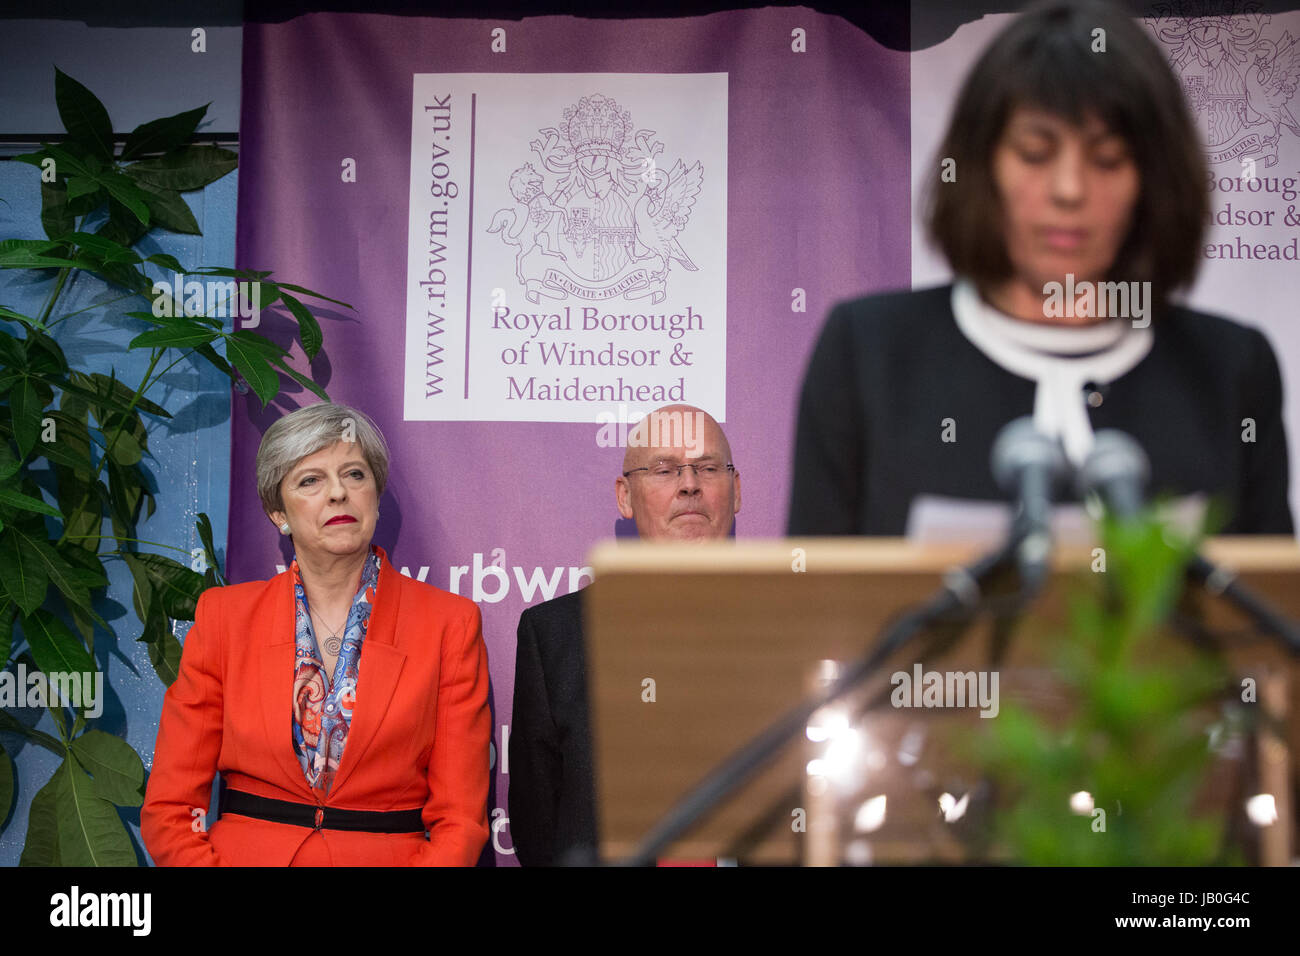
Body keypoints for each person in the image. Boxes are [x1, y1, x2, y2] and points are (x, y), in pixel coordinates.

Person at [788, 0, 1293, 537]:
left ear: (1154, 182)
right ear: (982, 166)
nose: (1069, 191)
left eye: (1108, 159)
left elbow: (1265, 610)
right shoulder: (868, 354)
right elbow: (810, 606)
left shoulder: (1230, 370)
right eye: (1035, 153)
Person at [142, 402, 491, 865]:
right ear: (278, 513)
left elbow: (460, 819)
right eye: (310, 480)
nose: (338, 494)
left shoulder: (449, 623)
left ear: (376, 495)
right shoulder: (224, 617)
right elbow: (171, 805)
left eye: (354, 475)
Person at [509, 404, 741, 865]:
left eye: (708, 468)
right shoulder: (554, 637)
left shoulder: (793, 629)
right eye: (665, 469)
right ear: (624, 495)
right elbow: (538, 825)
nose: (690, 483)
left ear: (736, 491)